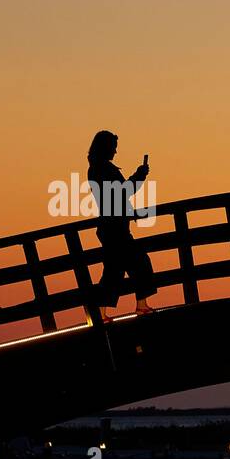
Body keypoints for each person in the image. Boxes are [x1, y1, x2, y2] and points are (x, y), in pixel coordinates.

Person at [87, 130, 156, 320]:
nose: (115, 152)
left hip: (112, 227)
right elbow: (121, 192)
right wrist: (139, 176)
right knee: (136, 263)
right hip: (114, 229)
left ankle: (102, 314)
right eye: (113, 147)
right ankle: (137, 306)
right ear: (105, 147)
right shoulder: (103, 169)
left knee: (115, 269)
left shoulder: (97, 168)